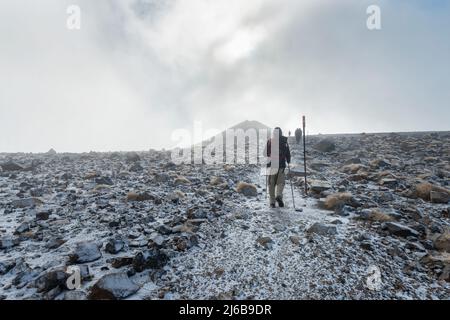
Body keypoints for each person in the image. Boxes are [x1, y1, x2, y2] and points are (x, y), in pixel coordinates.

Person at [264, 127, 291, 208]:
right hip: (281, 165)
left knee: (271, 184)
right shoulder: (284, 141)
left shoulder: (270, 141)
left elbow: (265, 153)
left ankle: (272, 202)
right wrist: (288, 160)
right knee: (281, 182)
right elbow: (288, 153)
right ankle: (279, 196)